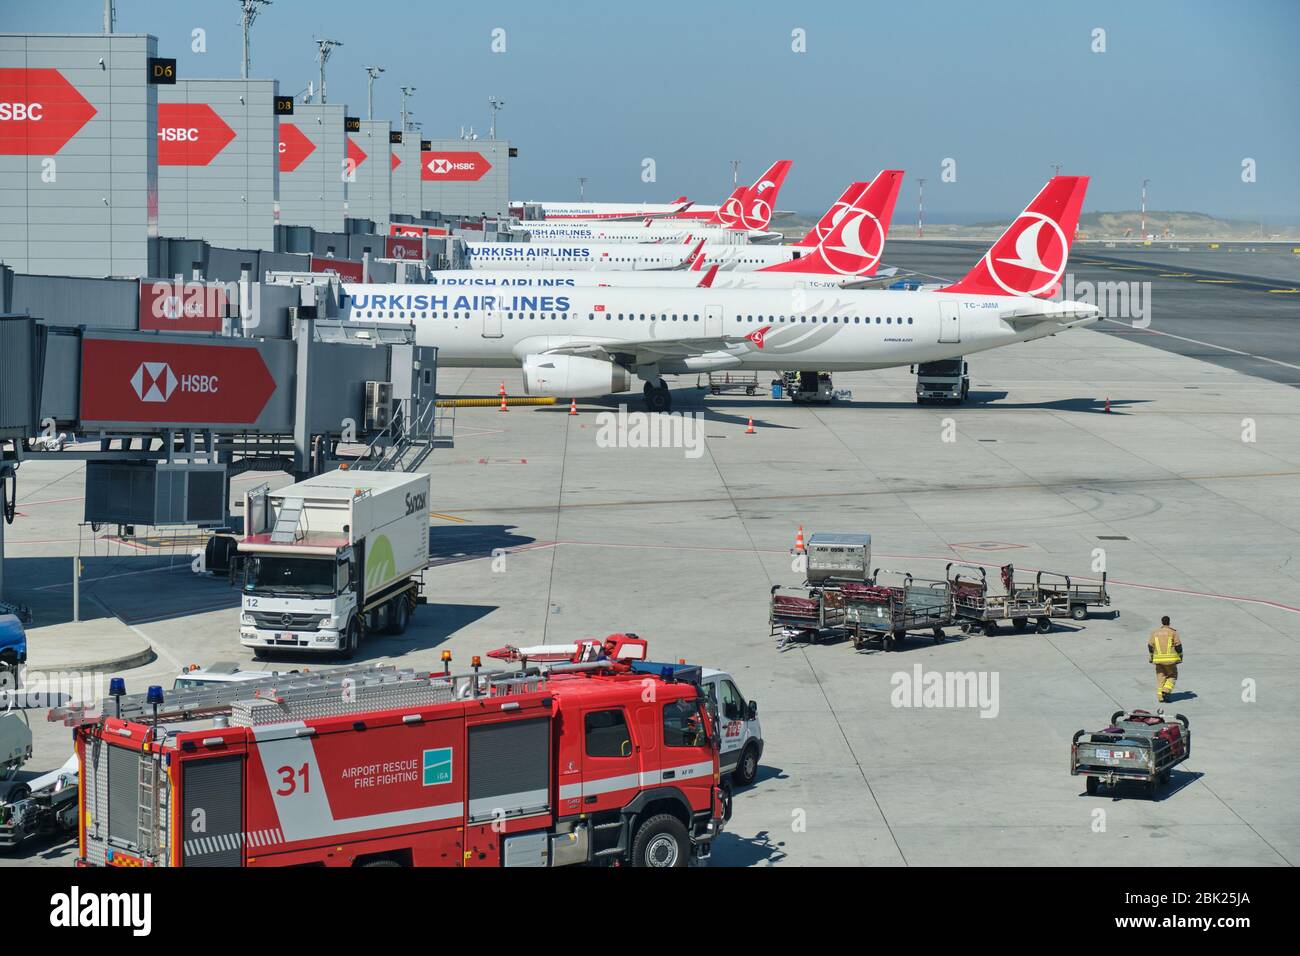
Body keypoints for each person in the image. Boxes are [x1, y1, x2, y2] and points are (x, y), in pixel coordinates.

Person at [1148, 616, 1183, 703]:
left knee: (1160, 678)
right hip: (1170, 661)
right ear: (1169, 622)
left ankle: (1160, 697)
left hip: (1158, 660)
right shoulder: (1173, 632)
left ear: (1162, 622)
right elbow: (1178, 646)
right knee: (1173, 676)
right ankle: (1166, 690)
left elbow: (1150, 646)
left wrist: (1152, 656)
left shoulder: (1154, 633)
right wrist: (1180, 656)